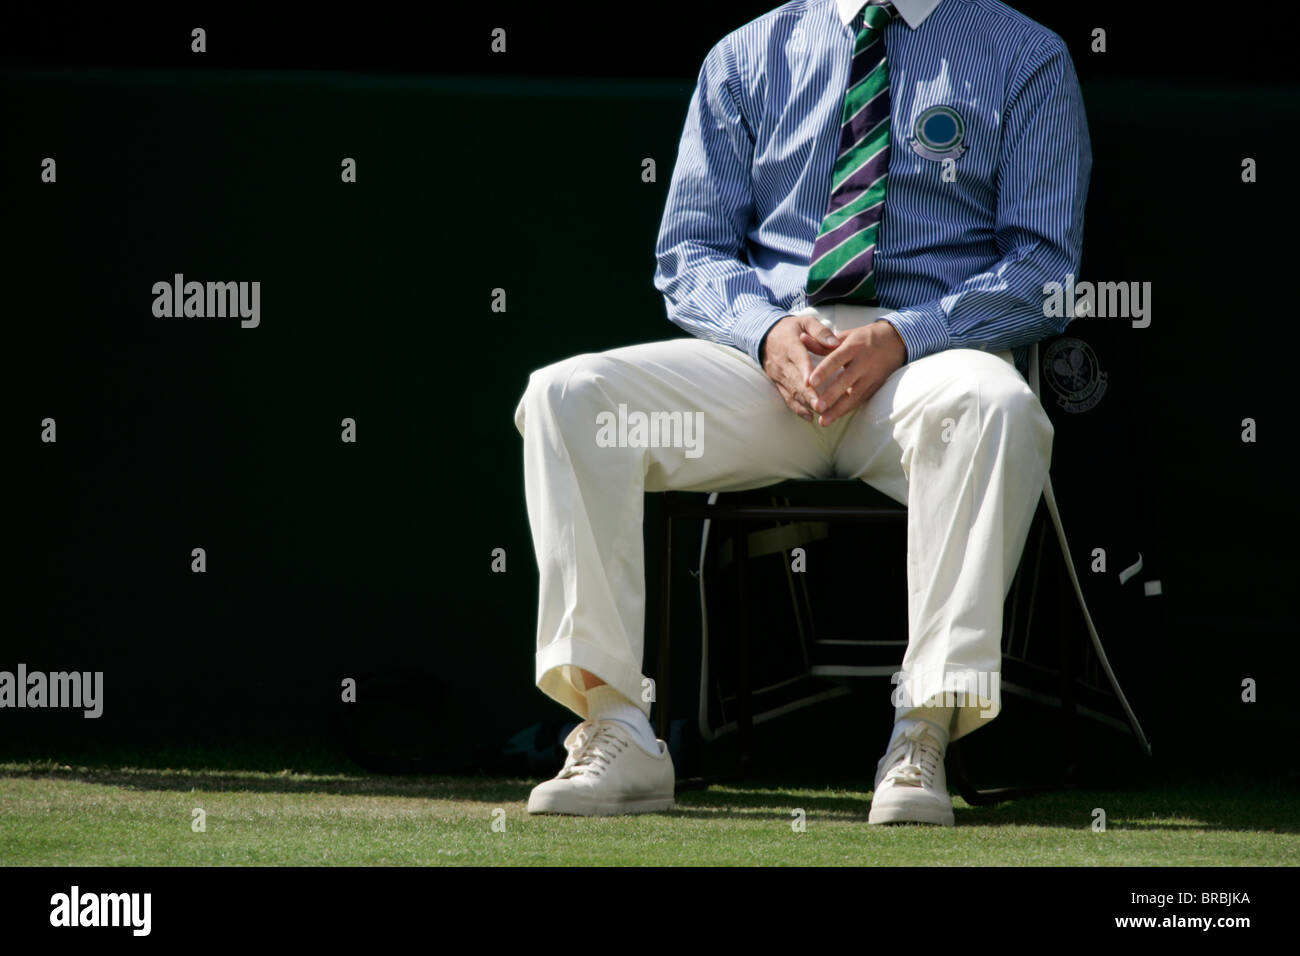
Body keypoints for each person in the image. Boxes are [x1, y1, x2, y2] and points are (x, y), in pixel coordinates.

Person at [513, 0, 1090, 825]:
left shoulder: (1026, 52)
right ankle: (616, 726)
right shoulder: (748, 52)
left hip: (925, 369)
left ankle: (922, 731)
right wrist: (766, 331)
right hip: (771, 366)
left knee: (998, 403)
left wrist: (905, 333)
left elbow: (1044, 267)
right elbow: (690, 251)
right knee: (567, 395)